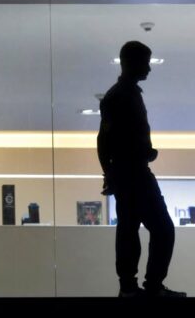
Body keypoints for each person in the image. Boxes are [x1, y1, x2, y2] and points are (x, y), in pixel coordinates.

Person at [97, 41, 186, 298]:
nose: (149, 68)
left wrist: (110, 172)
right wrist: (113, 170)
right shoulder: (120, 96)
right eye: (145, 62)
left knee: (130, 228)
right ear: (131, 62)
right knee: (158, 229)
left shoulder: (122, 94)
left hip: (128, 172)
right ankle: (146, 285)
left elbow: (106, 139)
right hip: (133, 173)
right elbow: (105, 140)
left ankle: (132, 286)